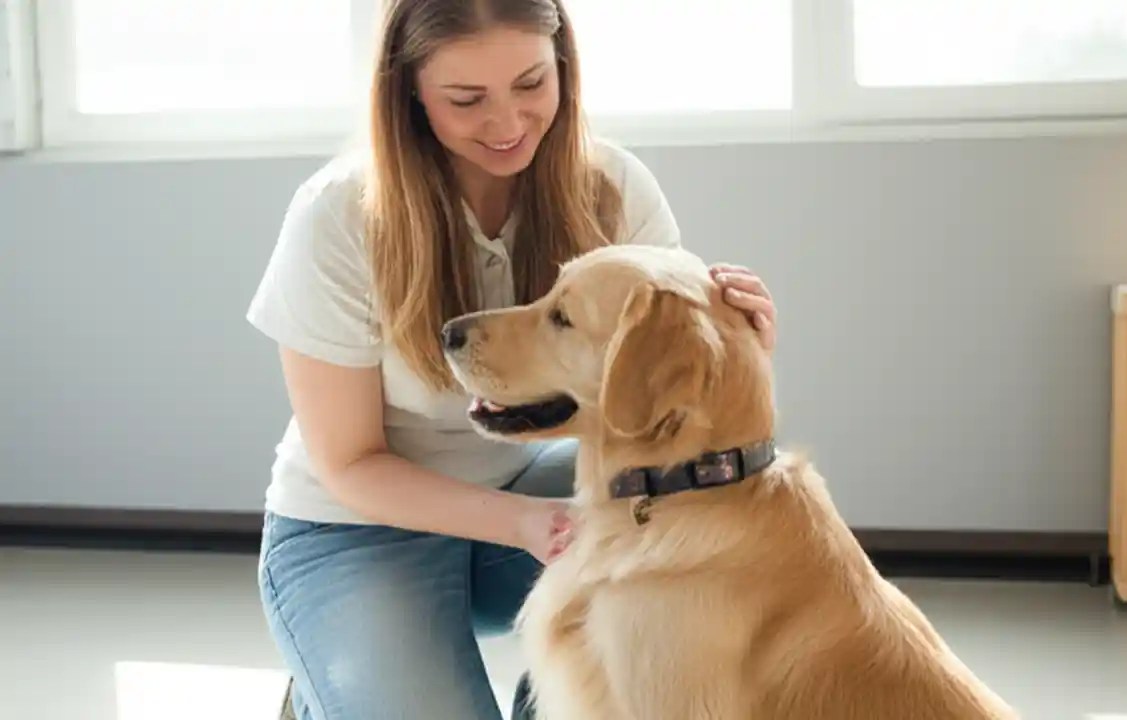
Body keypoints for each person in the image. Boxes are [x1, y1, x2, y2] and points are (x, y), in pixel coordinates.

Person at [246, 0, 778, 717]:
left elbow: (659, 400)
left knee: (701, 490)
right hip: (353, 531)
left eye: (531, 84)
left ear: (562, 65)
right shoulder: (338, 216)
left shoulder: (612, 187)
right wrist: (522, 525)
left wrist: (735, 347)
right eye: (466, 100)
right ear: (408, 91)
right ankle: (332, 682)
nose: (507, 124)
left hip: (523, 490)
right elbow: (347, 464)